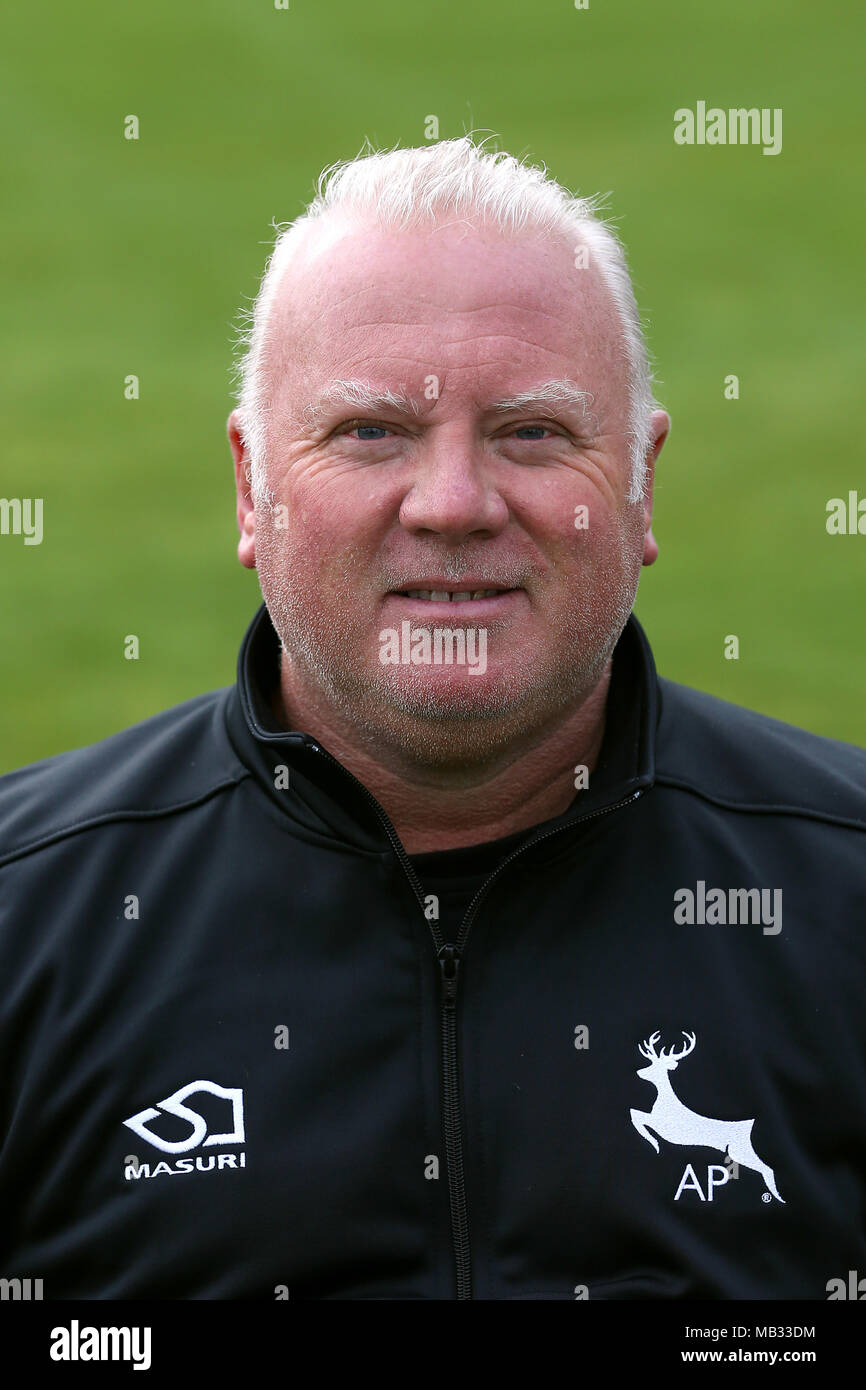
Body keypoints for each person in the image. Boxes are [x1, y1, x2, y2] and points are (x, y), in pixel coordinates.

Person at [0, 136, 863, 1301]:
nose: (452, 504)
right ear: (251, 488)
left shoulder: (839, 891)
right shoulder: (27, 912)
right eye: (370, 432)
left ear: (642, 484)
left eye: (532, 432)